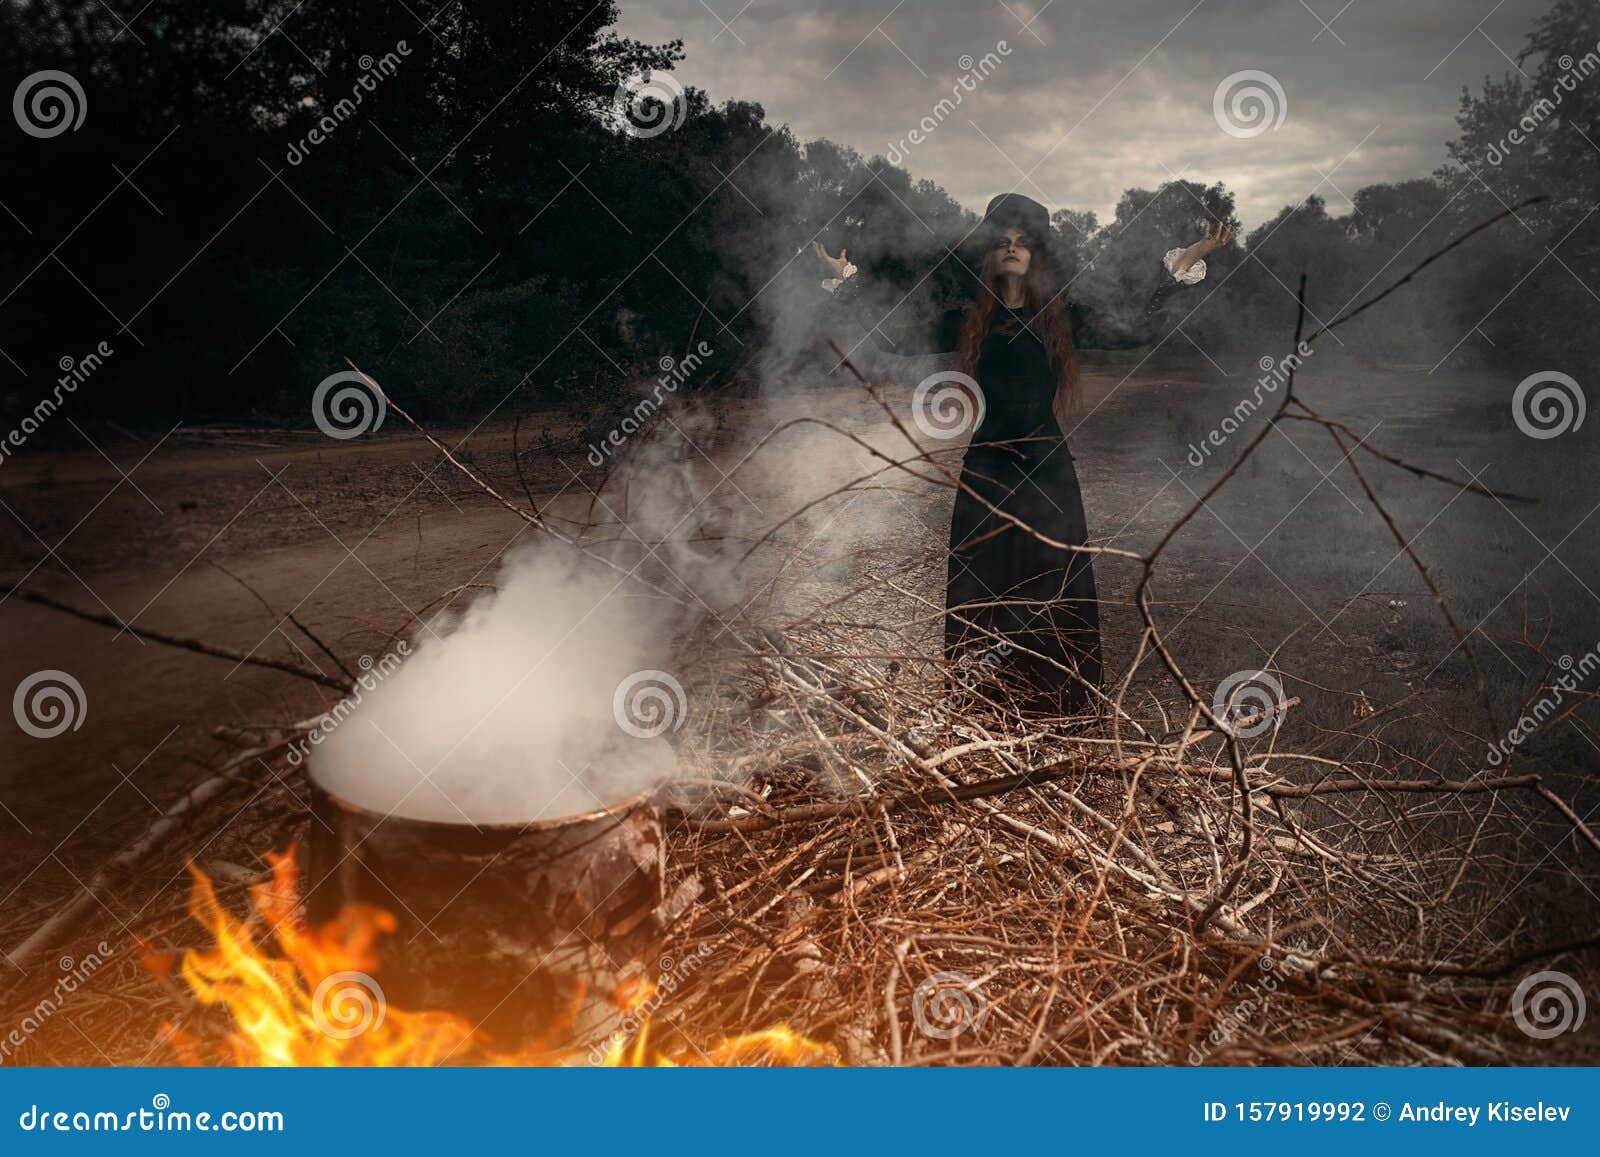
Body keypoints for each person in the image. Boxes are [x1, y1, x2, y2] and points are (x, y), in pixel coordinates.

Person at [814, 192, 1231, 716]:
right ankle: (981, 712)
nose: (1012, 248)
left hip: (1047, 474)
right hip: (986, 470)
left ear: (1037, 254)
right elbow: (892, 338)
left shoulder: (1062, 316)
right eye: (1002, 241)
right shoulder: (968, 319)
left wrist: (1188, 259)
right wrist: (844, 277)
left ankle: (1057, 713)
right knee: (981, 589)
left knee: (1052, 586)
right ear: (990, 255)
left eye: (1022, 242)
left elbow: (1135, 330)